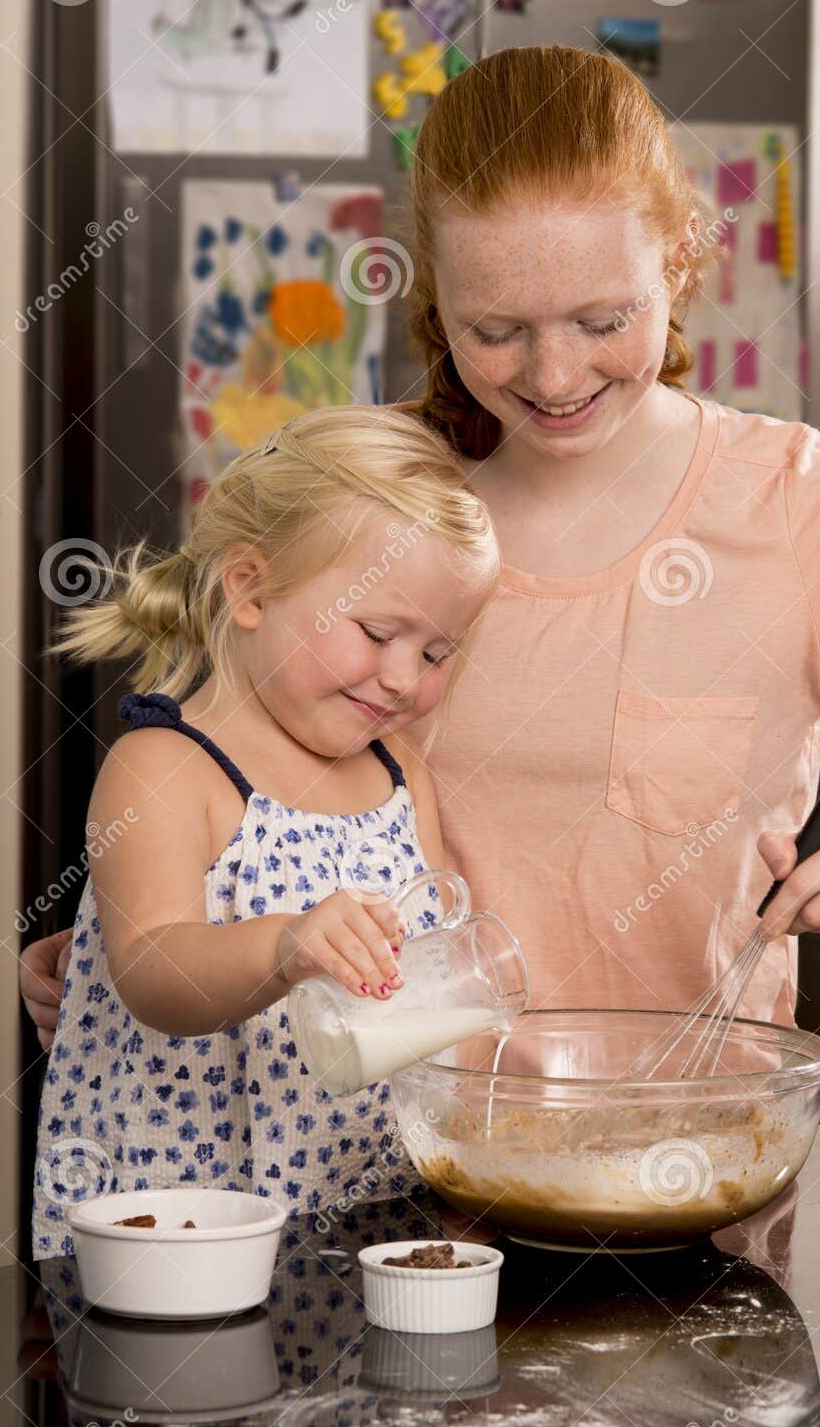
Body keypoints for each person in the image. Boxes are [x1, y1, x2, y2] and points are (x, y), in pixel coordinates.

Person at [23, 46, 820, 1063]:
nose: (554, 377)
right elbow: (220, 786)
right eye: (496, 330)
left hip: (689, 1145)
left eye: (604, 321)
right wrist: (140, 944)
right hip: (389, 1151)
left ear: (680, 259)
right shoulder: (361, 500)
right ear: (436, 295)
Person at [29, 407, 499, 1255]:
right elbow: (153, 974)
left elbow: (427, 962)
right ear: (249, 589)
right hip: (186, 1220)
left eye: (437, 654)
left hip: (371, 1202)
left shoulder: (399, 773)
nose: (405, 679)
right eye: (378, 633)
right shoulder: (165, 768)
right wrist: (285, 947)